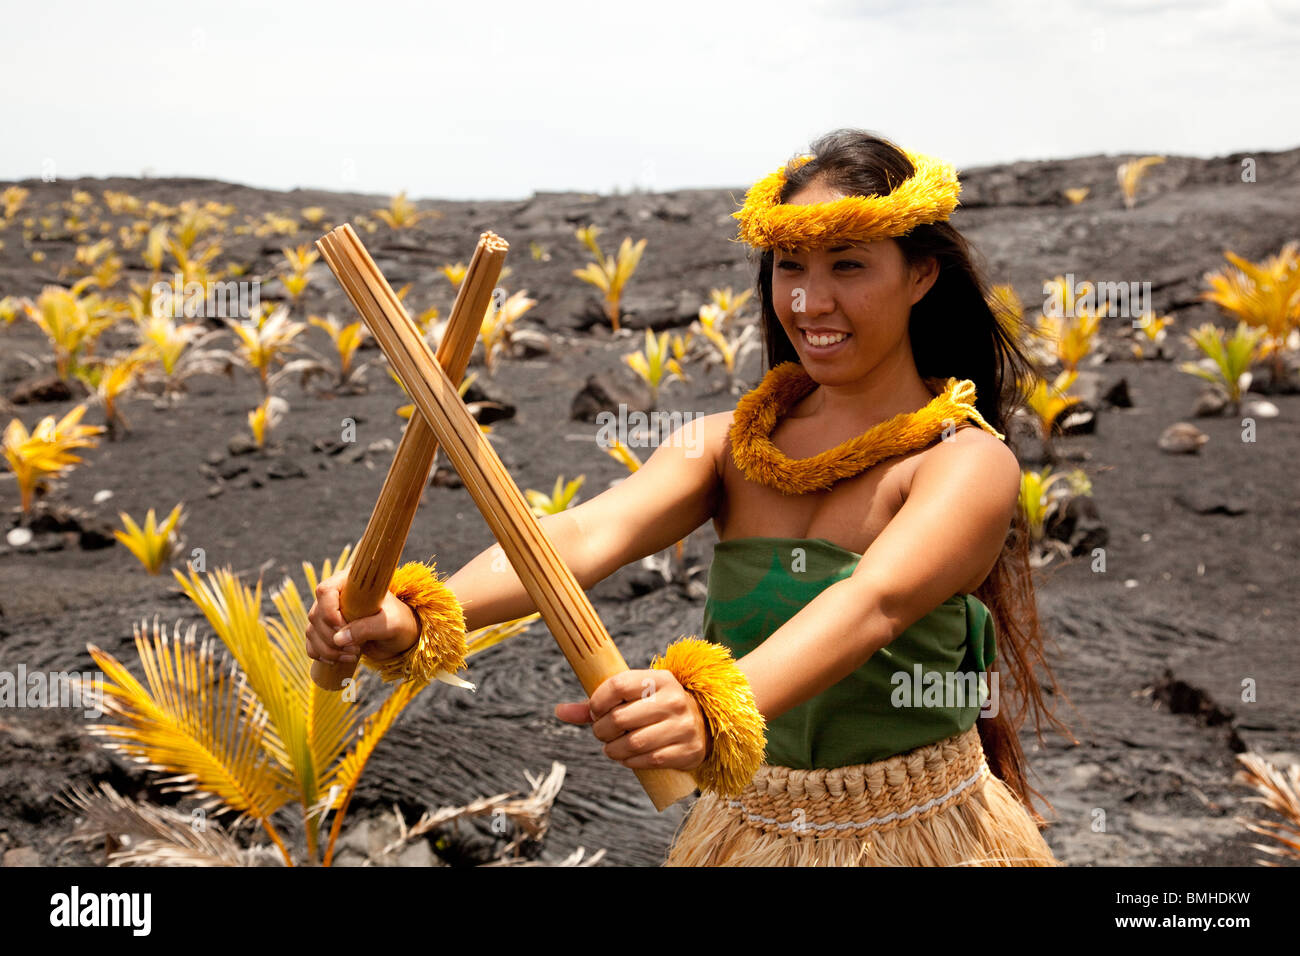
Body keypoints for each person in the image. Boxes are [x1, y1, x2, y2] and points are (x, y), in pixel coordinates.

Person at [304, 128, 1075, 866]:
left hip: (924, 832)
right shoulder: (724, 446)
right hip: (748, 828)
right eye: (789, 267)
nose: (809, 303)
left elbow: (874, 602)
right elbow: (578, 538)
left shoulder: (964, 462)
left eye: (847, 266)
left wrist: (713, 707)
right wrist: (415, 612)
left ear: (921, 274)